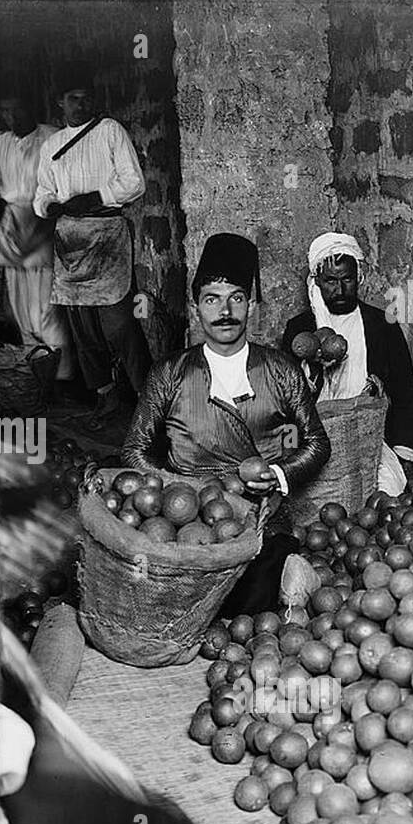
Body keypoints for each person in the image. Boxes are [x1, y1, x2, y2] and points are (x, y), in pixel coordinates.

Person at [122, 233, 330, 614]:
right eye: (212, 299)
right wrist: (179, 490)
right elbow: (135, 449)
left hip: (256, 517)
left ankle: (286, 572)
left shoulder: (280, 370)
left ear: (251, 306)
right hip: (185, 518)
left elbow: (316, 443)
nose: (225, 312)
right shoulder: (170, 373)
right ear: (196, 305)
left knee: (250, 592)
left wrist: (278, 475)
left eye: (236, 298)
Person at [34, 65, 150, 427]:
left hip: (107, 233)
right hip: (70, 240)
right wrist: (50, 206)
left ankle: (148, 401)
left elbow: (134, 182)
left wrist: (96, 196)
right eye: (73, 99)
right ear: (61, 103)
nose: (81, 105)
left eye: (86, 99)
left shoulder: (109, 131)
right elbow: (43, 192)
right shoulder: (52, 145)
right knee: (82, 329)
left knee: (119, 326)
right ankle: (106, 399)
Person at [281, 232, 413, 496]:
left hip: (369, 438)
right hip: (314, 440)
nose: (339, 289)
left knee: (386, 493)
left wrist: (407, 463)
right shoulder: (300, 330)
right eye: (330, 281)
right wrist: (311, 371)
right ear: (316, 282)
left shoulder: (382, 326)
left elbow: (405, 396)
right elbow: (284, 402)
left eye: (347, 279)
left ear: (359, 277)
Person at [0, 89, 74, 385]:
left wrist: (46, 221)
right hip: (13, 225)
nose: (12, 117)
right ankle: (35, 378)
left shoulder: (52, 138)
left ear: (31, 108)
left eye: (18, 110)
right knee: (21, 308)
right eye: (6, 111)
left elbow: (64, 186)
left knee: (46, 310)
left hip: (44, 225)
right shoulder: (0, 144)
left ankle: (62, 378)